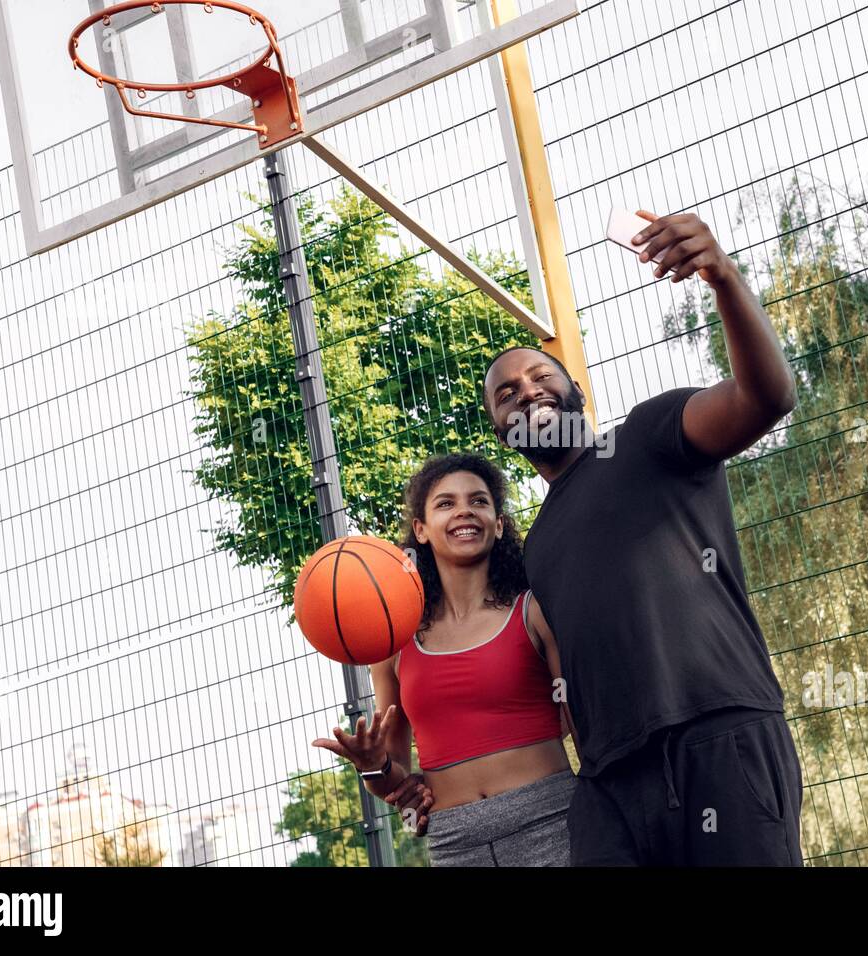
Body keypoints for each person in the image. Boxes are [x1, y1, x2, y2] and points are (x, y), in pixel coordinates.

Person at [481, 209, 804, 866]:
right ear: (500, 432)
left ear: (575, 389)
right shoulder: (535, 547)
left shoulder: (649, 436)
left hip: (719, 733)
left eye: (539, 376)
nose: (526, 390)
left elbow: (766, 397)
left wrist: (722, 276)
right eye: (506, 394)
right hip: (611, 782)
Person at [312, 453, 579, 866]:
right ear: (420, 529)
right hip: (455, 840)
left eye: (478, 501)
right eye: (445, 503)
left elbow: (583, 724)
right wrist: (374, 766)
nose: (464, 511)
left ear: (499, 523)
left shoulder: (534, 610)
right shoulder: (395, 642)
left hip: (550, 819)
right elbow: (397, 782)